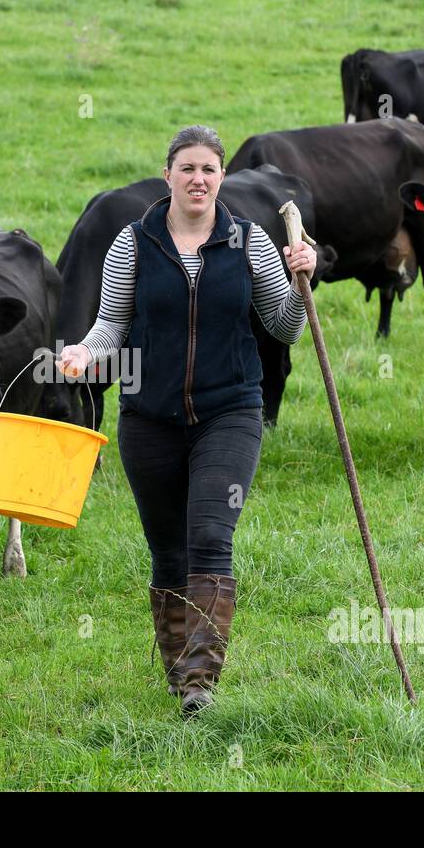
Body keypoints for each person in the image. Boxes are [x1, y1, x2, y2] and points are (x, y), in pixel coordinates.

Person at [57, 125, 317, 716]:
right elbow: (110, 327)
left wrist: (303, 278)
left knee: (209, 538)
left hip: (230, 410)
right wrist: (82, 354)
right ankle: (179, 673)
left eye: (209, 170)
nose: (199, 179)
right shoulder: (132, 243)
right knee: (168, 551)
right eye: (188, 168)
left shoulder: (249, 241)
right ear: (168, 175)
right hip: (148, 417)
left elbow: (283, 326)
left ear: (221, 178)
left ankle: (200, 683)